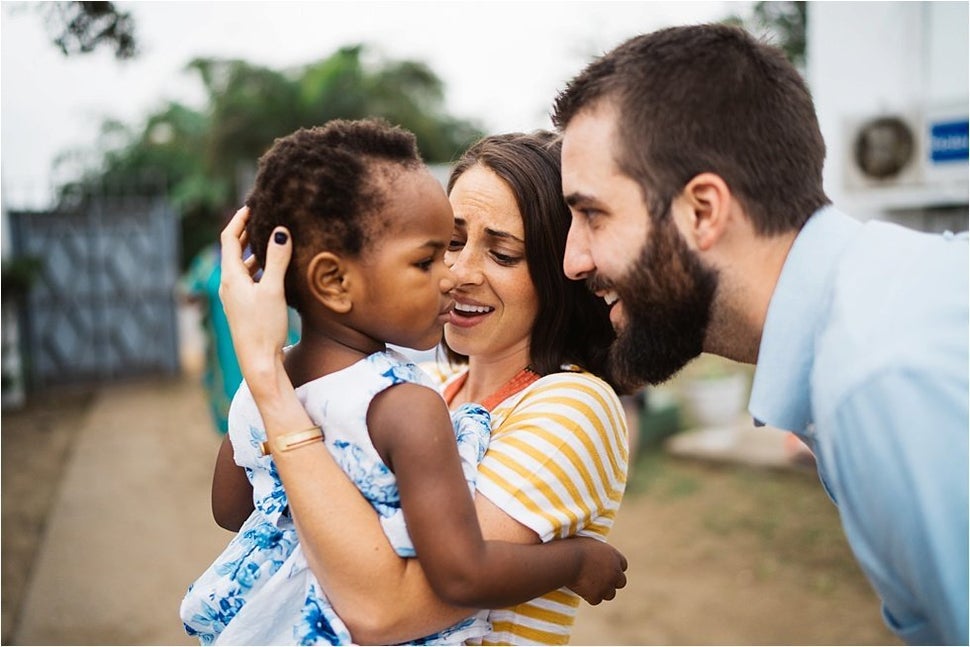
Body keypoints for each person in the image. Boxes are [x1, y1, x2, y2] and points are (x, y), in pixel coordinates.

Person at [552, 23, 968, 646]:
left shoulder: (881, 377)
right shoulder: (880, 309)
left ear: (702, 211)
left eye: (592, 214)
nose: (573, 260)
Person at [181, 120, 628, 645]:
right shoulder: (414, 390)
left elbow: (386, 606)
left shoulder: (572, 405)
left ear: (564, 268)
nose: (457, 272)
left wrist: (268, 380)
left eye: (502, 254)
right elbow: (268, 526)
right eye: (447, 245)